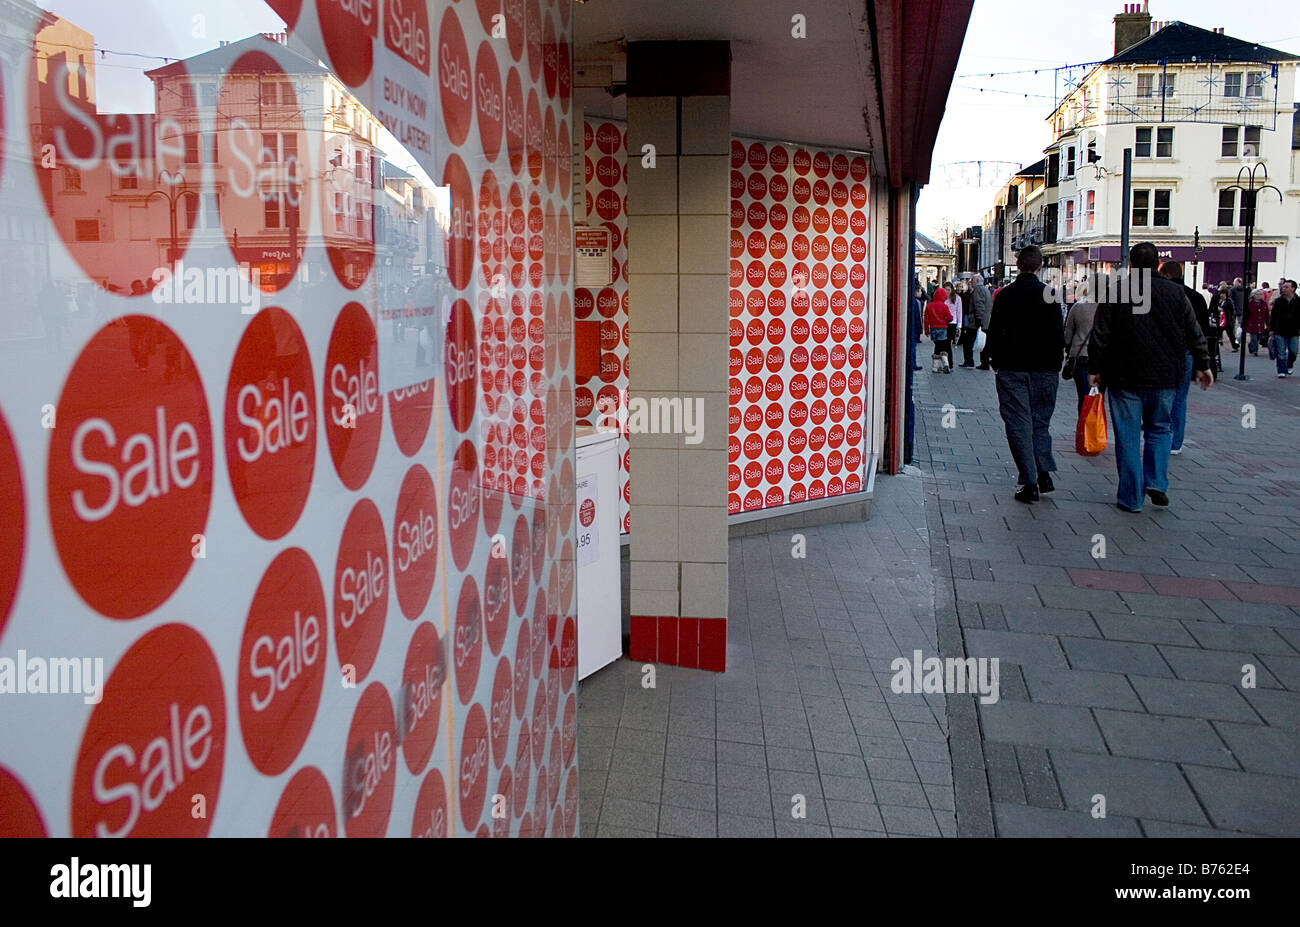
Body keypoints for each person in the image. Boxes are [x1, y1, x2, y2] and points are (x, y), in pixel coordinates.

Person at [1088, 242, 1213, 512]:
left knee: (1128, 436)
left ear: (1131, 265)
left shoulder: (1116, 292)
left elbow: (1100, 335)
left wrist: (1095, 369)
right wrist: (1203, 364)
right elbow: (1195, 332)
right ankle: (1156, 481)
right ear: (1157, 263)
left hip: (1125, 376)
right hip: (1166, 375)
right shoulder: (1176, 293)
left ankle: (1131, 498)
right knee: (1159, 429)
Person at [983, 246, 1065, 503]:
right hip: (1045, 369)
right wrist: (1056, 362)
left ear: (1018, 264)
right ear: (1039, 265)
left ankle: (1029, 481)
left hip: (1012, 367)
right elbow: (1057, 334)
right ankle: (1043, 472)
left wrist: (992, 358)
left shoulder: (1006, 295)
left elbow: (994, 331)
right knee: (1040, 423)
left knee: (1018, 423)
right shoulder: (1050, 295)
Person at [1159, 262, 1210, 455]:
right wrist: (1203, 362)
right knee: (1180, 399)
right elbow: (1202, 330)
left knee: (1163, 395)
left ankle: (1161, 432)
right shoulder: (1196, 297)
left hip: (1165, 352)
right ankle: (1175, 442)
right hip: (1186, 352)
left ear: (1166, 274)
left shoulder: (1162, 294)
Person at [1063, 278, 1099, 412]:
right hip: (1105, 360)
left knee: (1084, 399)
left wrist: (1068, 348)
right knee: (1099, 397)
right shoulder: (1111, 307)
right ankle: (1097, 428)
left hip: (1082, 357)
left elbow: (1067, 334)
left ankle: (1084, 428)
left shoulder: (1078, 307)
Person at [1268, 279, 1300, 378]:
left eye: (1286, 287)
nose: (1283, 288)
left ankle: (1289, 364)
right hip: (1280, 330)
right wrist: (1271, 329)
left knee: (1293, 351)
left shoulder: (1298, 301)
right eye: (1283, 286)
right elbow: (1273, 316)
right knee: (1281, 352)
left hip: (1294, 331)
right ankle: (1281, 370)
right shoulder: (1279, 301)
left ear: (1293, 289)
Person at [965, 274, 994, 369]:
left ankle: (969, 361)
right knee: (985, 343)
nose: (971, 282)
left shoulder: (978, 290)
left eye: (972, 280)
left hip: (976, 321)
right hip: (986, 320)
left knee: (969, 342)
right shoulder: (986, 289)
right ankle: (985, 362)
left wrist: (978, 319)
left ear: (977, 281)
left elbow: (979, 305)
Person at [924, 287, 954, 373]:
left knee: (937, 346)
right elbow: (950, 318)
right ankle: (945, 364)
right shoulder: (944, 306)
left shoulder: (929, 306)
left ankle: (935, 367)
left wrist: (926, 330)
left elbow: (926, 319)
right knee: (943, 347)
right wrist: (946, 320)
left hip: (933, 329)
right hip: (942, 329)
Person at [1246, 282, 1272, 356]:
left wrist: (1268, 324)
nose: (1259, 296)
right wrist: (1245, 324)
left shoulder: (1263, 304)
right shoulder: (1250, 304)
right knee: (1254, 337)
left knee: (1259, 337)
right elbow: (1247, 315)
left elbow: (1266, 315)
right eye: (1257, 294)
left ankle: (1251, 345)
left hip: (1261, 324)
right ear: (1253, 295)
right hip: (1252, 324)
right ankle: (1255, 350)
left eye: (1260, 294)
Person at [1208, 283, 1234, 356]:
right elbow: (1212, 307)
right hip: (1218, 317)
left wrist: (1231, 318)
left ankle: (1235, 345)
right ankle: (1219, 341)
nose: (1222, 295)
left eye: (1223, 294)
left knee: (1230, 333)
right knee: (1218, 331)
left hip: (1226, 319)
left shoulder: (1228, 301)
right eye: (1221, 293)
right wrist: (1210, 313)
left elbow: (1231, 310)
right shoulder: (1216, 298)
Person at [946, 280, 963, 370]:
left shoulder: (957, 298)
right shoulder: (943, 298)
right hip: (943, 323)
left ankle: (950, 362)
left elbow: (959, 312)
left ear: (952, 289)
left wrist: (959, 325)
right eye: (946, 289)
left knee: (948, 343)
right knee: (943, 343)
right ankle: (944, 362)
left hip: (952, 323)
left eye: (948, 290)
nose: (947, 292)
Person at [910, 282, 925, 372]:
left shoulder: (913, 301)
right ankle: (913, 363)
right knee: (913, 347)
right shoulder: (917, 303)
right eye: (919, 291)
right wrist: (920, 329)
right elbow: (918, 317)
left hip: (912, 328)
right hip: (914, 328)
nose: (921, 293)